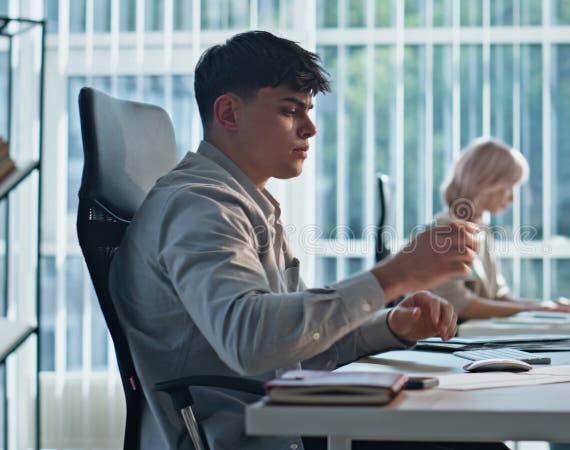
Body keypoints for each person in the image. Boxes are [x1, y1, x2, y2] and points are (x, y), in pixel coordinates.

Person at [109, 31, 509, 450]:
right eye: (290, 110)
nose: (311, 128)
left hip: (282, 424)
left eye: (310, 110)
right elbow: (250, 340)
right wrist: (394, 277)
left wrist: (392, 324)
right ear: (228, 113)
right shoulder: (199, 206)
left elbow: (301, 347)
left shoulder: (247, 203)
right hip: (254, 437)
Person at [432, 138, 570, 320]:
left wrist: (544, 306)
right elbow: (459, 305)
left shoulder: (480, 229)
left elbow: (499, 296)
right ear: (485, 183)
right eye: (508, 187)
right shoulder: (447, 231)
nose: (512, 199)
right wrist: (535, 309)